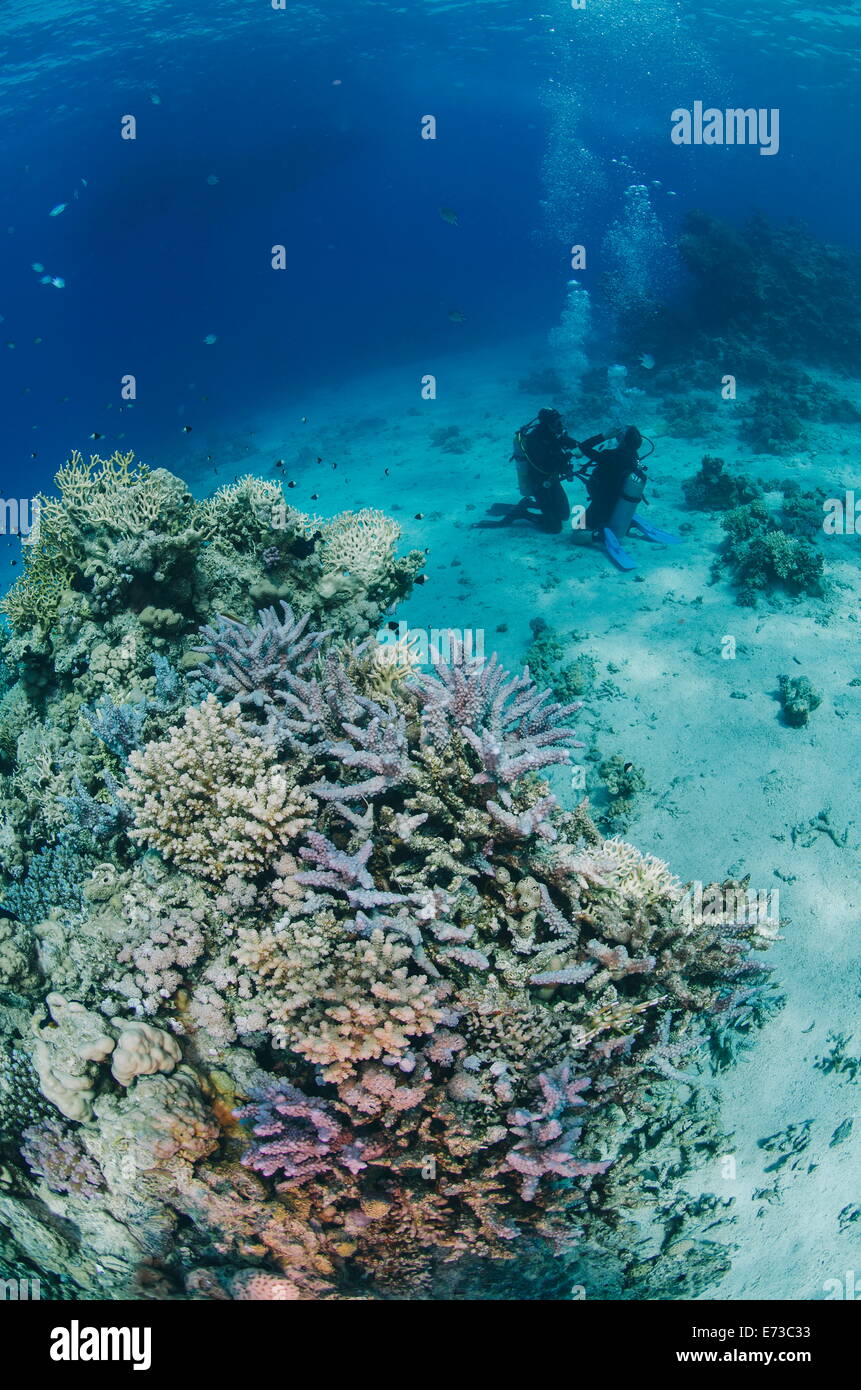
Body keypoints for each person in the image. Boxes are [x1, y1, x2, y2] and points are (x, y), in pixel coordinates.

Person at [475, 408, 577, 532]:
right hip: (540, 484)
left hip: (552, 480)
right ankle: (523, 513)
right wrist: (564, 459)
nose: (560, 425)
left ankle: (534, 505)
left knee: (564, 515)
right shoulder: (535, 440)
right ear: (547, 423)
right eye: (556, 422)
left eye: (560, 421)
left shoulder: (554, 434)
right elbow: (545, 466)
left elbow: (574, 445)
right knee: (554, 528)